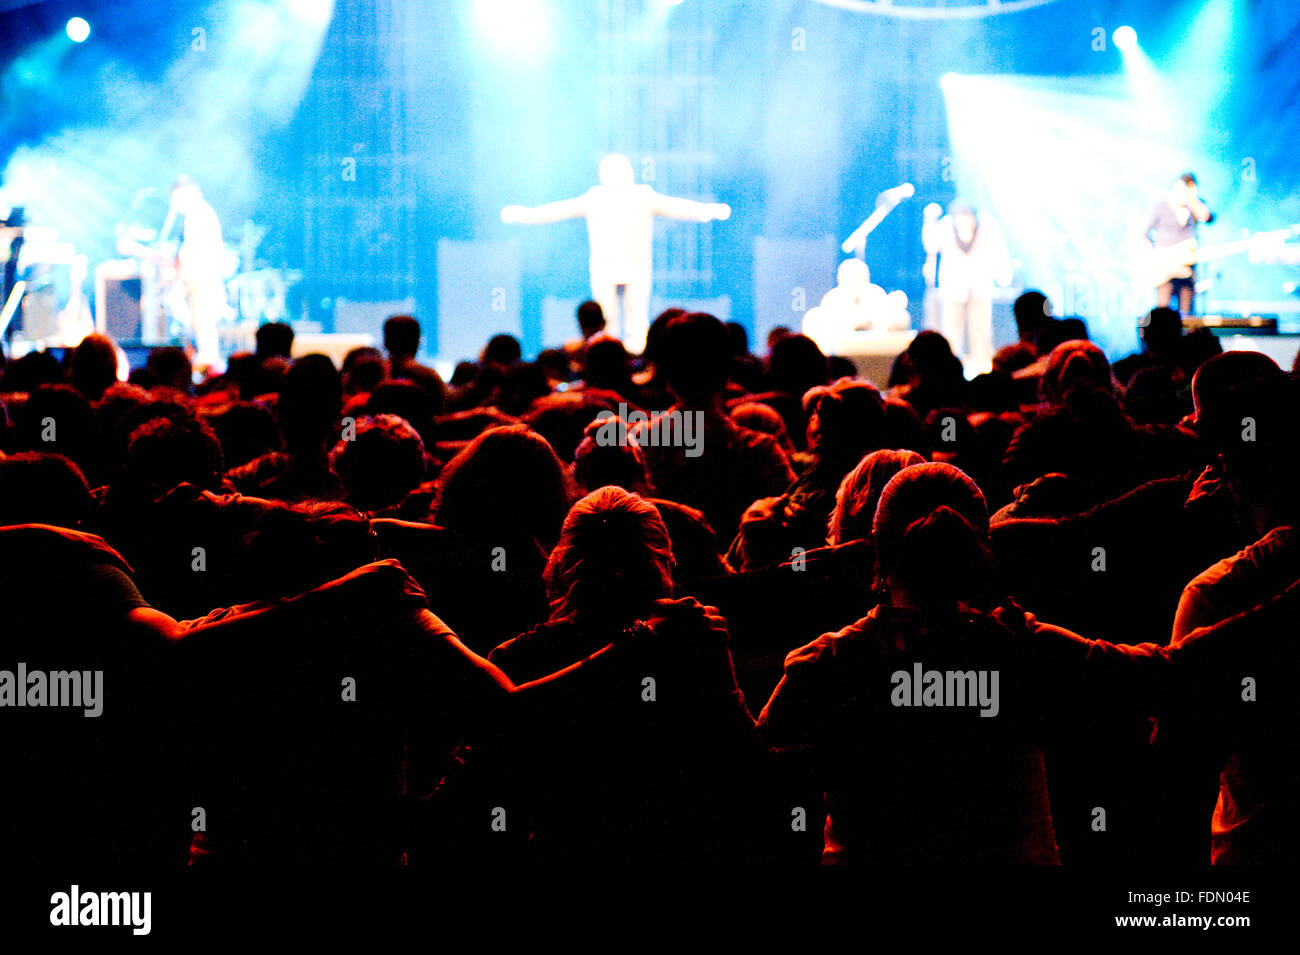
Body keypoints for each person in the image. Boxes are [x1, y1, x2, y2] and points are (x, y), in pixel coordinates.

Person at [502, 154, 730, 352]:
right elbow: (558, 210)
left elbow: (678, 208)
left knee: (637, 322)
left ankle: (634, 356)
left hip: (636, 266)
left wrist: (706, 211)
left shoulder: (642, 197)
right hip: (605, 268)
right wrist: (526, 215)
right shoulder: (596, 198)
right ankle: (606, 354)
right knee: (607, 322)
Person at [922, 199, 1012, 375]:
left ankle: (983, 371)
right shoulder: (946, 226)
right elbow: (931, 244)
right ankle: (950, 371)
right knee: (952, 331)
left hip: (980, 287)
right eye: (960, 218)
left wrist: (1003, 275)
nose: (964, 222)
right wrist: (929, 220)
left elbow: (999, 250)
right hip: (953, 288)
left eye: (968, 217)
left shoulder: (987, 226)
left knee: (981, 331)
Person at [158, 176, 228, 371]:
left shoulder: (199, 215)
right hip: (198, 282)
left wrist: (176, 272)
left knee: (206, 338)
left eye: (176, 197)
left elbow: (194, 254)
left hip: (203, 282)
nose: (174, 203)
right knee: (202, 333)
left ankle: (207, 376)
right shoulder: (197, 215)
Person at [1145, 172, 1215, 314]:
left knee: (1186, 313)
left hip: (1186, 270)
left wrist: (1191, 198)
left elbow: (1206, 216)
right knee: (1163, 311)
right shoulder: (1162, 207)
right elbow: (1144, 233)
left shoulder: (1193, 205)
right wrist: (1155, 255)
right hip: (1165, 268)